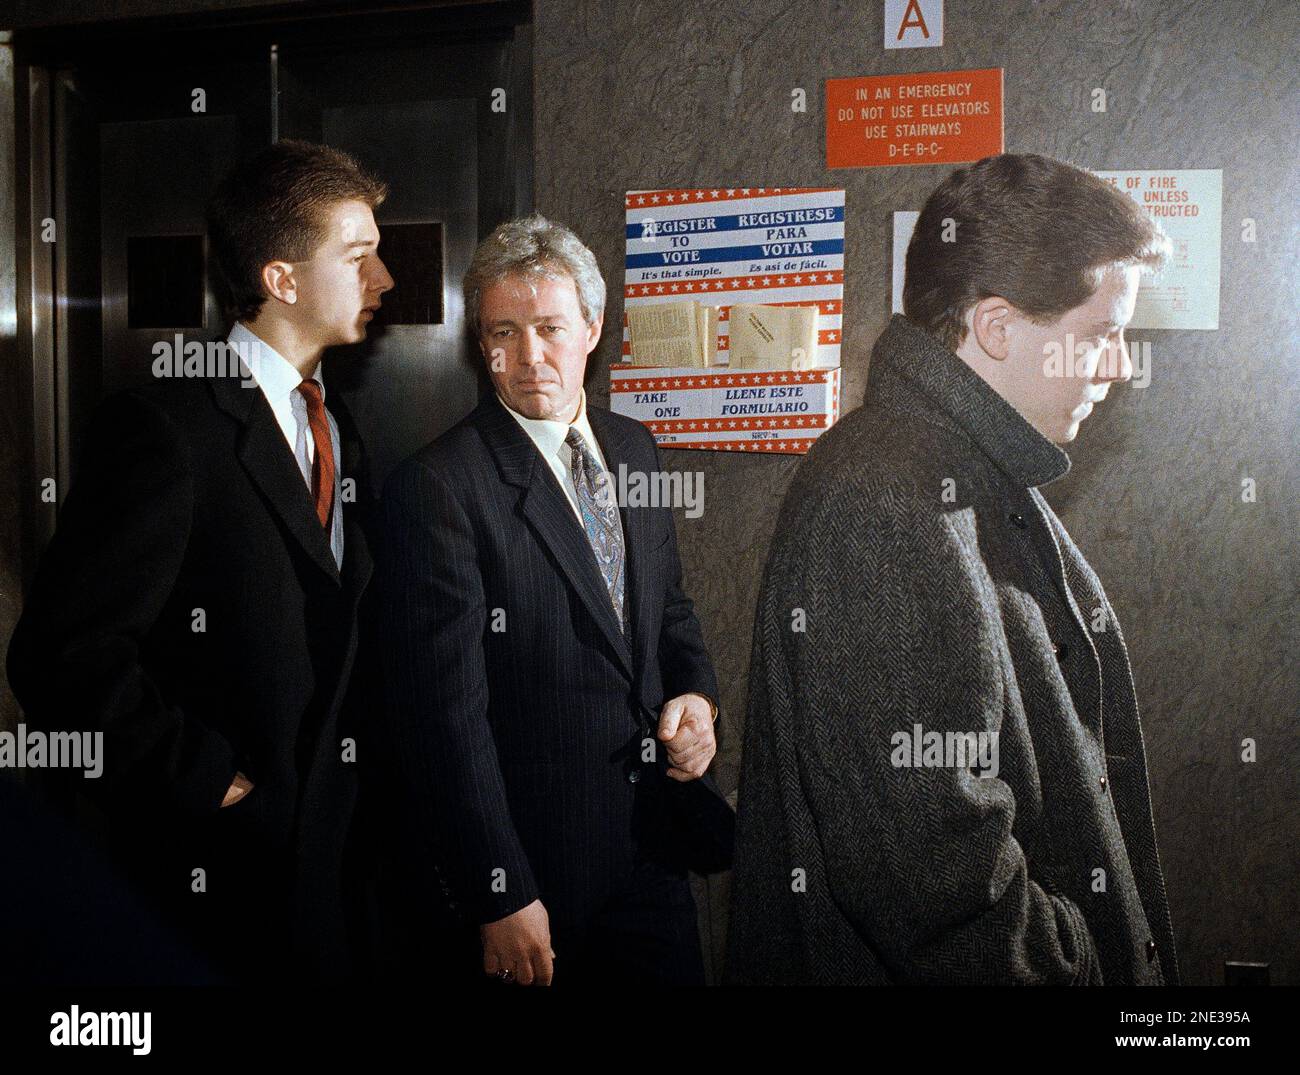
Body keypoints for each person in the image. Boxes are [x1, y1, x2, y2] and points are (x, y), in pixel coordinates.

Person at [727, 153, 1180, 985]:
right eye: (1104, 333)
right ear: (999, 328)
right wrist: (1086, 962)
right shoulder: (887, 497)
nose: (1119, 369)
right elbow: (933, 879)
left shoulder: (968, 466)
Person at [6, 139, 394, 983]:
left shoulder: (338, 429)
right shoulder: (167, 428)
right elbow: (60, 657)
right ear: (281, 279)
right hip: (216, 888)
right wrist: (212, 784)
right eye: (360, 256)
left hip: (332, 879)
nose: (385, 280)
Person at [378, 214, 728, 986]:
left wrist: (698, 699)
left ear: (594, 327)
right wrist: (498, 887)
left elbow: (668, 609)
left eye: (550, 327)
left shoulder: (635, 447)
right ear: (481, 343)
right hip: (535, 883)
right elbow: (444, 717)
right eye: (504, 331)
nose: (528, 356)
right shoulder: (439, 486)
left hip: (654, 857)